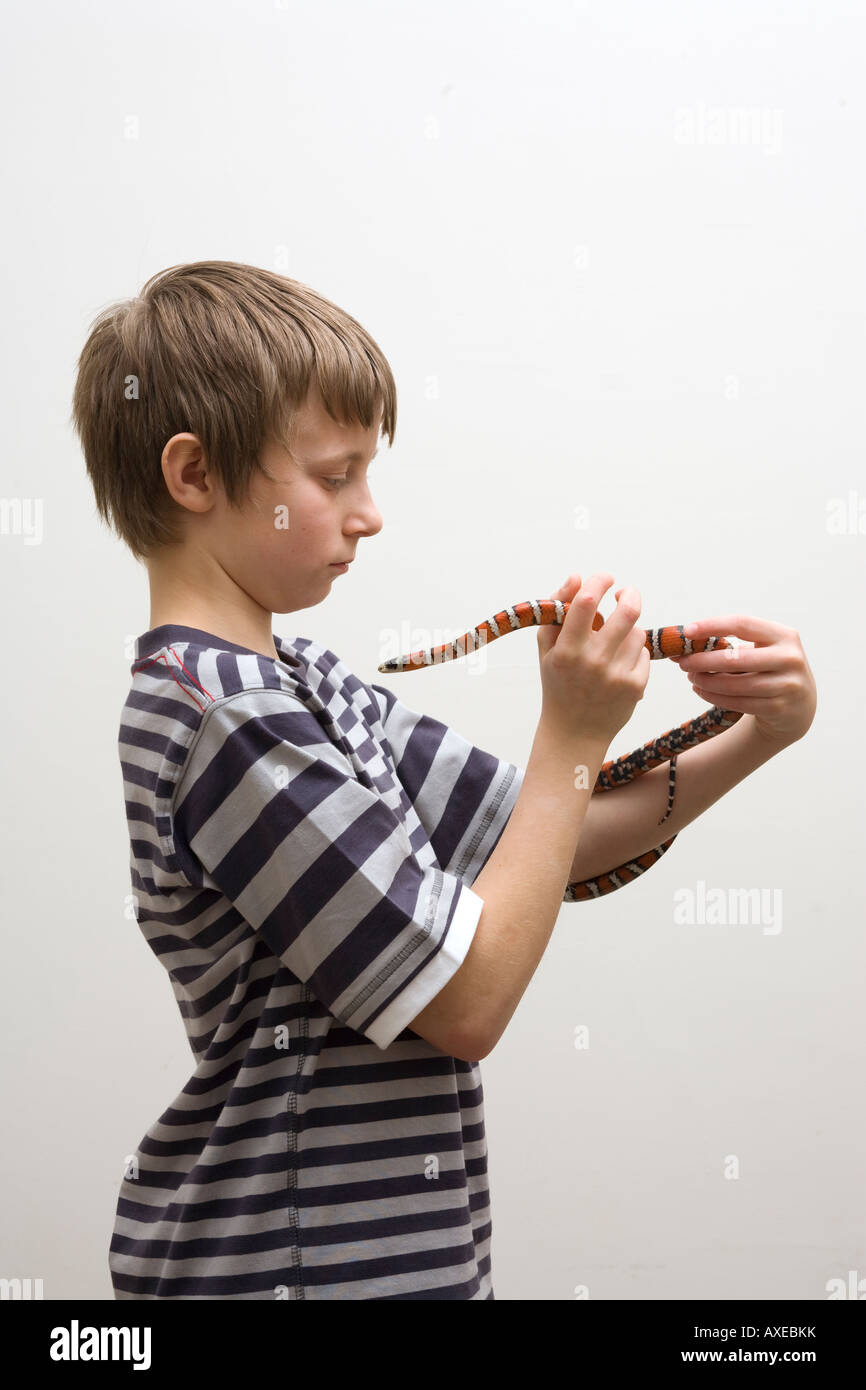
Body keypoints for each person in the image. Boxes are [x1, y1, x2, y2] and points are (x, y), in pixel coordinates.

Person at [70, 260, 815, 1300]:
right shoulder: (218, 714)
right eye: (333, 478)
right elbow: (463, 999)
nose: (367, 514)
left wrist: (756, 730)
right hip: (288, 1271)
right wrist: (571, 731)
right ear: (193, 476)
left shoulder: (301, 684)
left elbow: (547, 840)